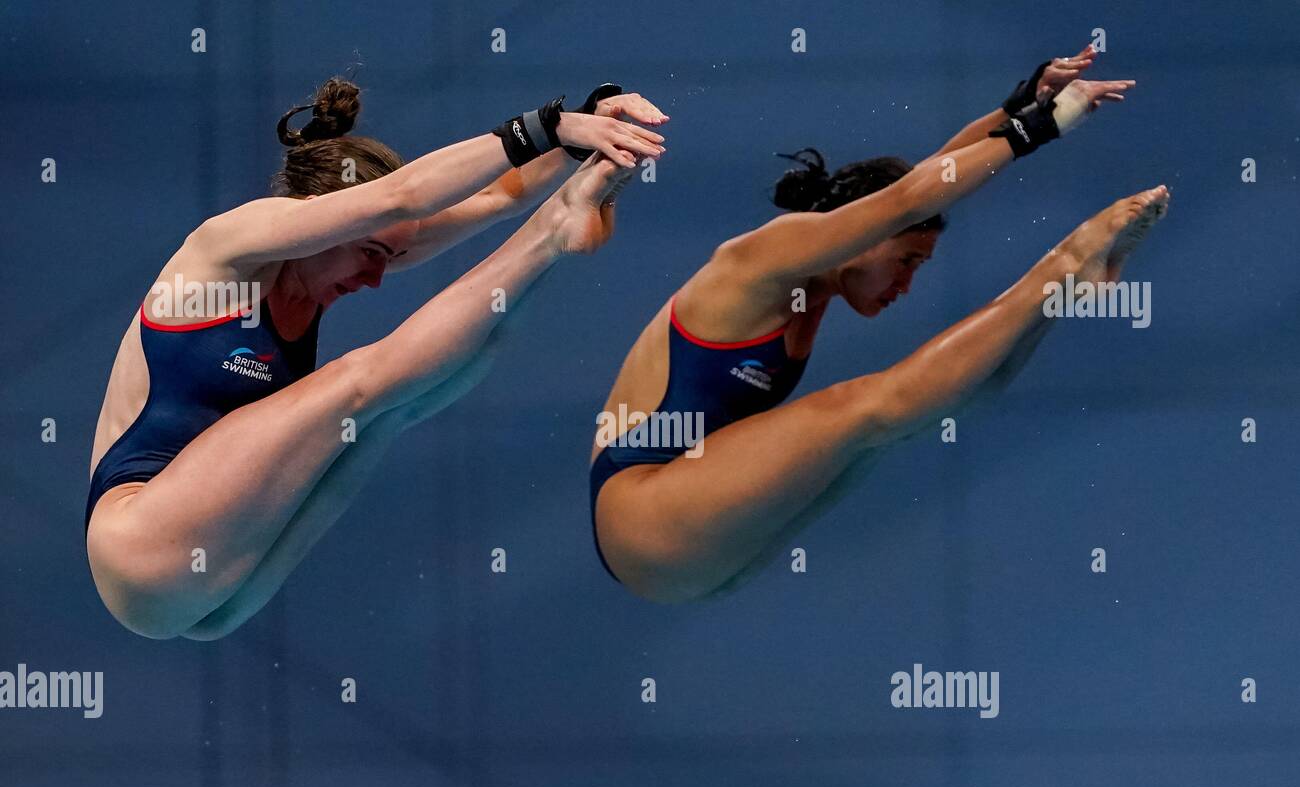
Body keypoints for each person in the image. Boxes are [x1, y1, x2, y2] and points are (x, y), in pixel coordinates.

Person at [87, 77, 666, 639]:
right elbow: (403, 195)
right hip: (140, 542)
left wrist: (583, 139)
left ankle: (557, 229)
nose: (375, 277)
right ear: (322, 216)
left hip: (215, 598)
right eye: (369, 252)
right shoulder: (225, 246)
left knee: (414, 398)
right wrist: (551, 121)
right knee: (358, 383)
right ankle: (555, 230)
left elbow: (494, 195)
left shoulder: (334, 259)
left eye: (387, 257)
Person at [589, 48, 1159, 602]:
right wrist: (1041, 127)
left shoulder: (818, 281)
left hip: (698, 553)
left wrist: (1014, 108)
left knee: (934, 410)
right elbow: (907, 199)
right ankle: (1066, 264)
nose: (906, 285)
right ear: (864, 238)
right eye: (906, 261)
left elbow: (920, 188)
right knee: (864, 406)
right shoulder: (764, 258)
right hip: (642, 511)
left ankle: (1062, 294)